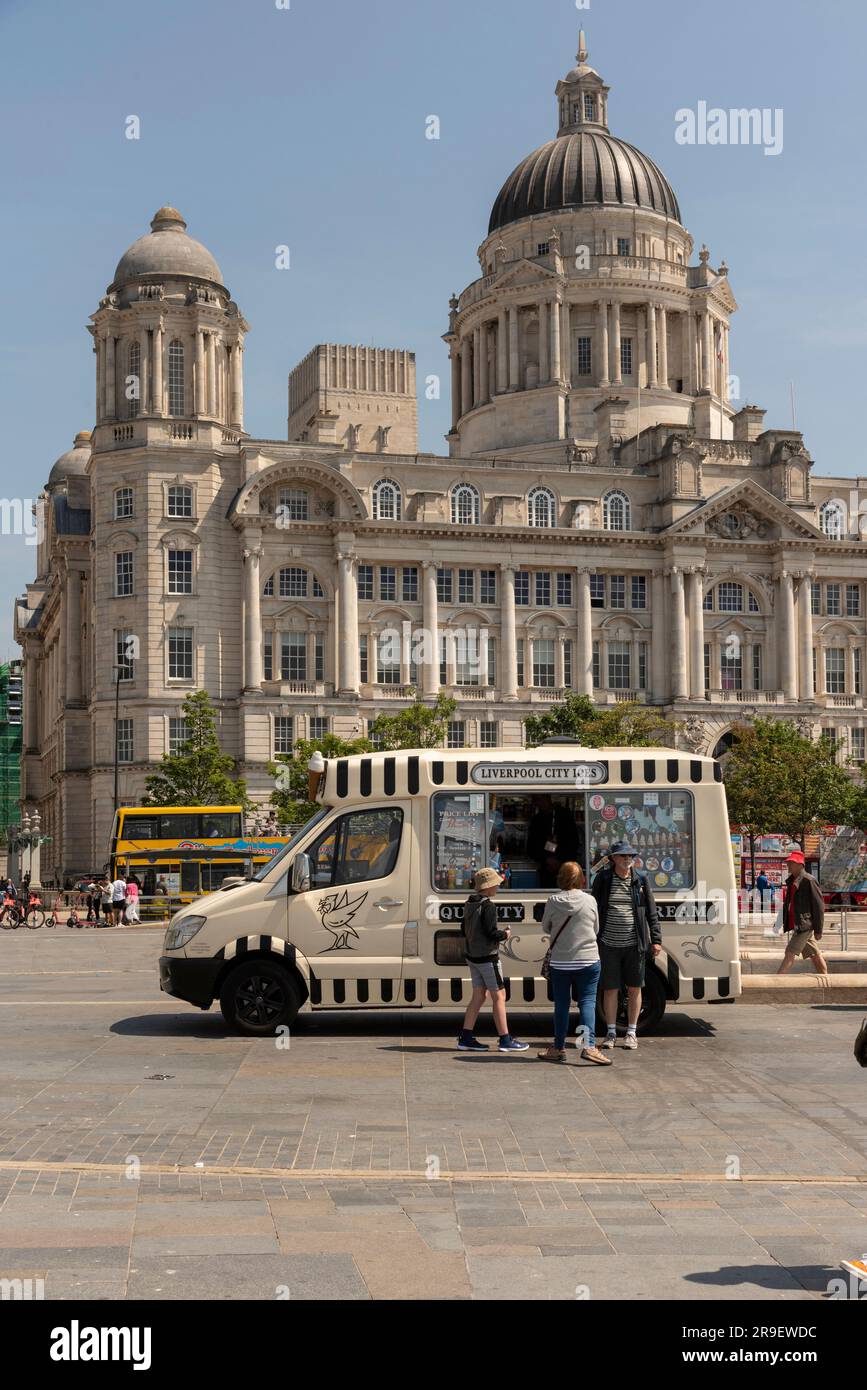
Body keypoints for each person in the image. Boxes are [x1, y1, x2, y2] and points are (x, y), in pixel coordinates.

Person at [537, 862, 611, 1066]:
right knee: (587, 1002)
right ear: (582, 879)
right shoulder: (590, 900)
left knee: (561, 1005)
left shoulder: (553, 900)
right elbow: (595, 928)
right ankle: (588, 1047)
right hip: (588, 959)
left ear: (560, 878)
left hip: (561, 962)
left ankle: (558, 1048)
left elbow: (546, 927)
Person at [592, 841, 661, 1051]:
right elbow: (593, 910)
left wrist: (656, 940)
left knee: (634, 987)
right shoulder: (603, 879)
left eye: (631, 856)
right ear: (613, 858)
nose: (628, 859)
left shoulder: (640, 880)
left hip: (634, 944)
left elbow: (651, 911)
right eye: (623, 856)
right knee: (610, 989)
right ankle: (611, 1032)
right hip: (608, 944)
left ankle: (631, 1032)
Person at [456, 866, 529, 1053]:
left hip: (472, 956)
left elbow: (463, 929)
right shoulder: (488, 906)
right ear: (487, 887)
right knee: (499, 996)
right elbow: (491, 933)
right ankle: (505, 1039)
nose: (498, 887)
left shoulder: (469, 903)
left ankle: (465, 1037)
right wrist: (505, 934)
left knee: (478, 996)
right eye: (496, 884)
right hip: (488, 958)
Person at [777, 850, 827, 976]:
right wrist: (780, 921)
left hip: (804, 925)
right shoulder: (792, 881)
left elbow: (819, 906)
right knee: (815, 955)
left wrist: (819, 930)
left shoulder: (808, 880)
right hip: (799, 923)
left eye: (791, 863)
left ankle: (776, 982)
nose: (788, 865)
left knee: (789, 953)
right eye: (788, 862)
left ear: (800, 864)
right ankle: (826, 978)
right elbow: (789, 904)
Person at [526, 795, 582, 888]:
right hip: (546, 867)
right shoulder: (537, 819)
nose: (538, 804)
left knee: (567, 890)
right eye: (536, 801)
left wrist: (560, 860)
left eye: (540, 800)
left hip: (565, 866)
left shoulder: (564, 816)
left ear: (548, 799)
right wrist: (546, 859)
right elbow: (531, 846)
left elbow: (573, 842)